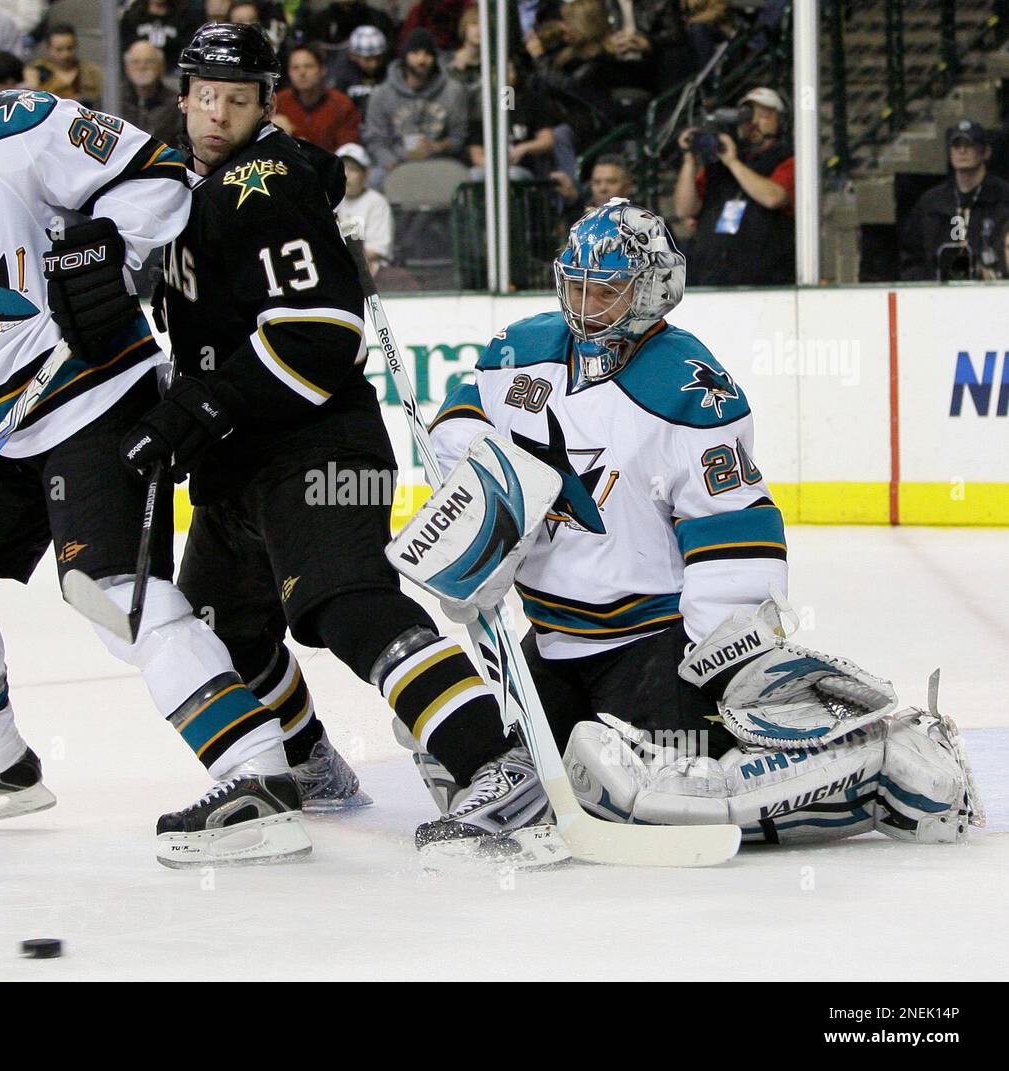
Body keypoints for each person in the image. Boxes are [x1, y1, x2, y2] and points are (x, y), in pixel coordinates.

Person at [48, 23, 547, 858]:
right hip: (238, 460)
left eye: (236, 101)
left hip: (317, 447)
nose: (215, 115)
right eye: (204, 97)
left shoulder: (267, 182)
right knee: (220, 629)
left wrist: (199, 405)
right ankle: (307, 759)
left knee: (347, 606)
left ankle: (495, 762)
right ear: (182, 99)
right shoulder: (183, 184)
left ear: (265, 104)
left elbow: (321, 334)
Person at [0, 37, 312, 867]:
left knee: (110, 590)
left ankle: (254, 772)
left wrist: (104, 241)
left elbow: (158, 173)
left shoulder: (19, 126)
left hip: (101, 386)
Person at [426, 198, 981, 850]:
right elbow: (459, 427)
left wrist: (717, 657)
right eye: (573, 285)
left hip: (652, 648)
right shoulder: (518, 351)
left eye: (604, 290)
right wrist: (477, 534)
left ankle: (882, 763)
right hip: (548, 641)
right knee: (487, 771)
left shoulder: (689, 384)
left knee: (667, 796)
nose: (583, 305)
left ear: (652, 288)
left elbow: (732, 524)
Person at [673, 86, 795, 286]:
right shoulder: (718, 165)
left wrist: (733, 163)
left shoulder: (787, 159)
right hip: (711, 276)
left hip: (767, 281)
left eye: (764, 115)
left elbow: (773, 198)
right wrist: (689, 159)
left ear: (780, 121)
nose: (753, 122)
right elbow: (684, 209)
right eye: (746, 116)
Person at [899, 120, 1009, 282]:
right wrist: (928, 284)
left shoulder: (1003, 197)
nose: (962, 151)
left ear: (985, 152)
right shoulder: (932, 202)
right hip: (938, 294)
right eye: (956, 145)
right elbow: (911, 255)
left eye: (969, 145)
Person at [362, 26, 469, 181]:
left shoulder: (453, 91)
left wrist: (437, 146)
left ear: (435, 58)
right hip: (396, 164)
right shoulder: (382, 94)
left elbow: (459, 137)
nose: (421, 60)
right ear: (405, 57)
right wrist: (393, 166)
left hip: (441, 162)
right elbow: (375, 140)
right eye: (415, 53)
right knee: (372, 179)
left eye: (427, 54)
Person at [273, 43, 362, 153]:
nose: (302, 73)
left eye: (308, 66)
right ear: (289, 73)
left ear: (322, 70)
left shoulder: (342, 105)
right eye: (295, 68)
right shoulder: (277, 103)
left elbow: (348, 151)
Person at [336, 141, 392, 272]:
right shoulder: (327, 201)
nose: (346, 174)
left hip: (372, 273)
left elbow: (377, 250)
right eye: (341, 168)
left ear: (366, 174)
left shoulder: (377, 202)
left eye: (353, 169)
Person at [25, 23, 104, 109]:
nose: (65, 55)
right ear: (48, 49)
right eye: (59, 50)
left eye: (70, 48)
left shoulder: (92, 72)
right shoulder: (35, 71)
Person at [121, 40, 182, 147]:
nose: (142, 67)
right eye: (135, 62)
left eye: (149, 61)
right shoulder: (112, 102)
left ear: (161, 67)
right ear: (127, 68)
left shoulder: (177, 105)